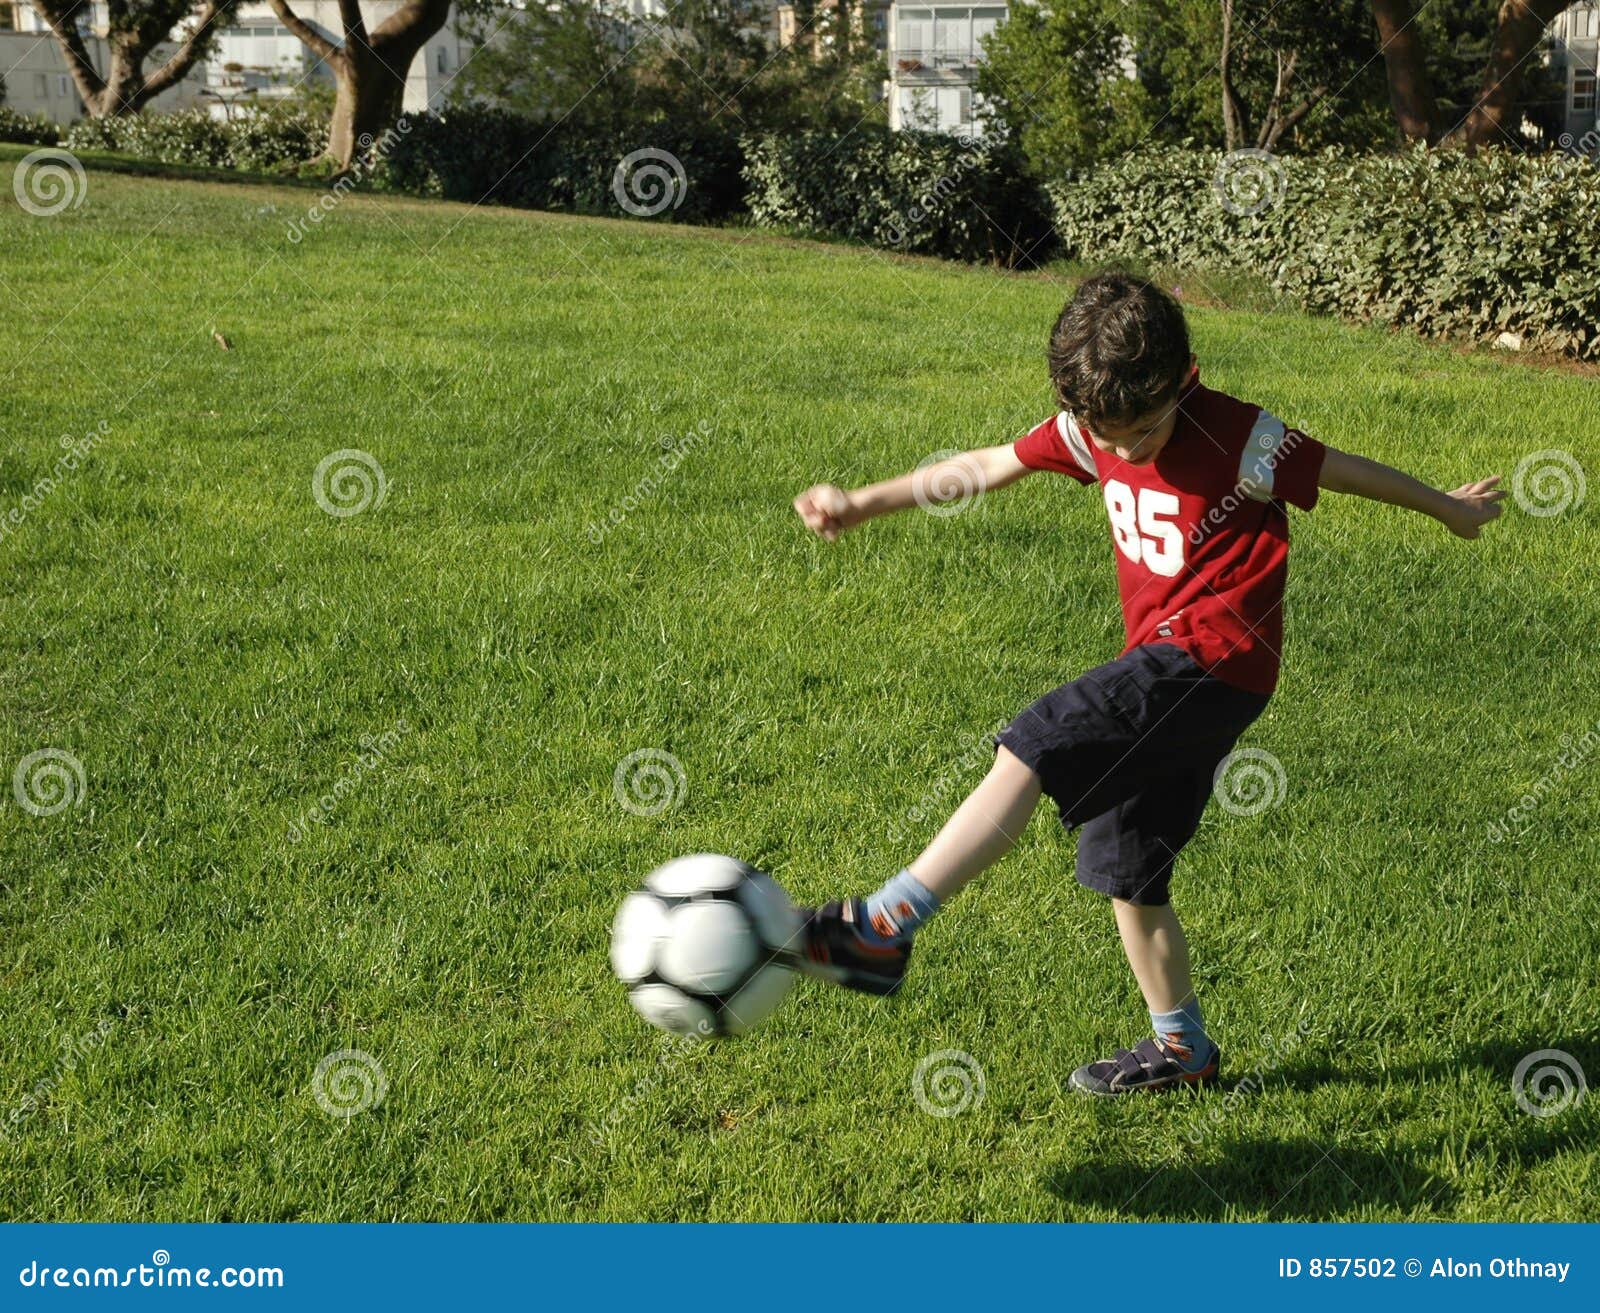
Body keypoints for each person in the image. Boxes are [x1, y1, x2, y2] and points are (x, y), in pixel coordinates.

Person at [789, 271, 1504, 1096]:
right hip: (1179, 670)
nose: (1125, 450)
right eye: (1110, 435)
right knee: (1131, 871)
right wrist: (863, 502)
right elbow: (989, 465)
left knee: (1037, 741)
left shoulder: (1242, 438)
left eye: (1143, 430)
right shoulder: (1091, 428)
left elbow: (1348, 471)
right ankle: (1183, 1049)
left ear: (1182, 377)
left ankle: (885, 924)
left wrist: (1446, 507)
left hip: (1211, 660)